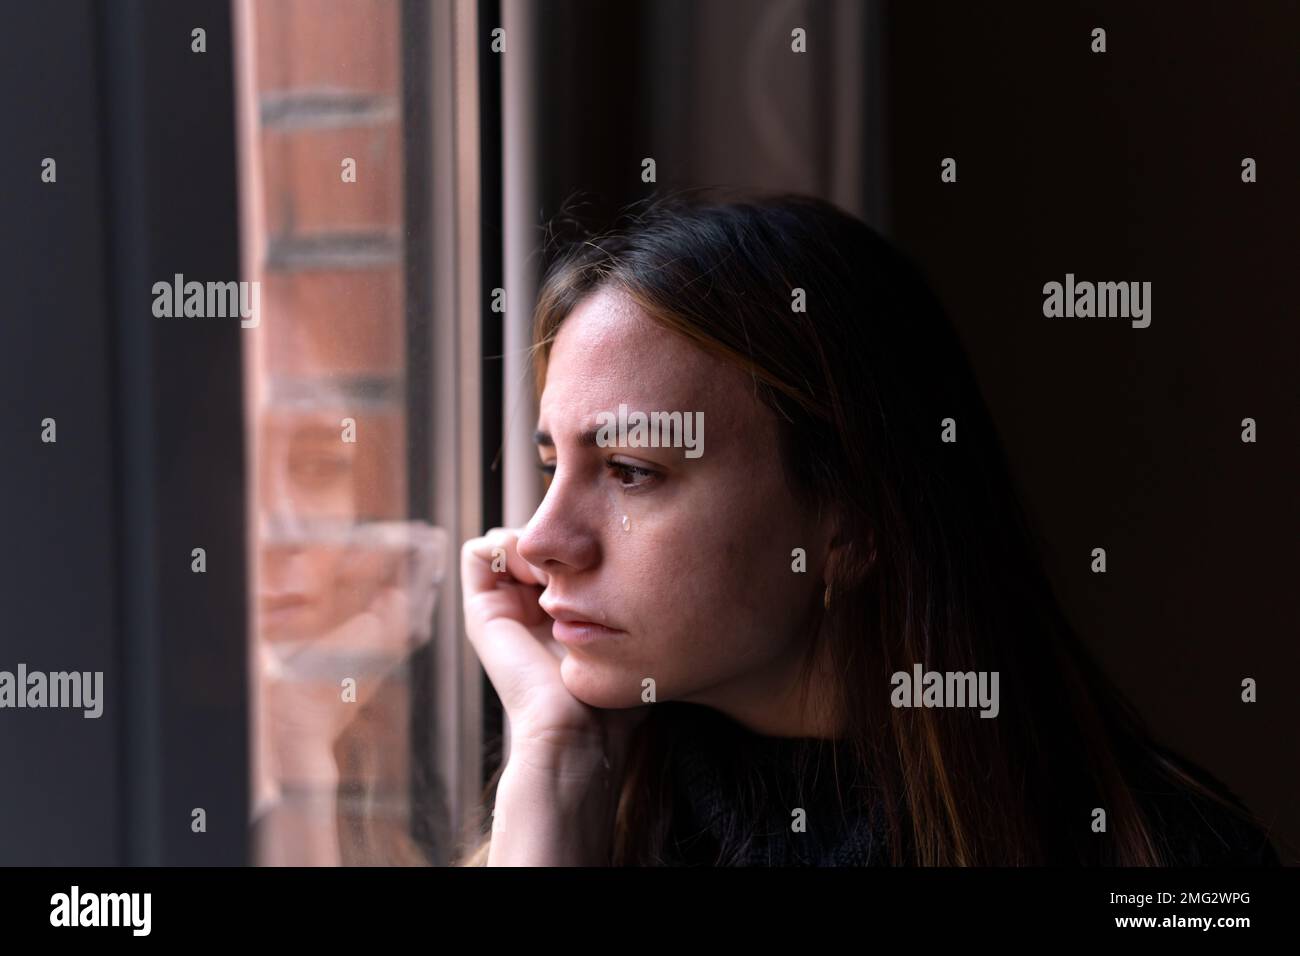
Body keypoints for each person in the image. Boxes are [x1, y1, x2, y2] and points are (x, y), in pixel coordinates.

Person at [454, 189, 1283, 866]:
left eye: (631, 471)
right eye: (551, 466)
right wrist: (554, 768)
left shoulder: (1166, 860)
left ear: (849, 523)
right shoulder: (589, 818)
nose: (538, 541)